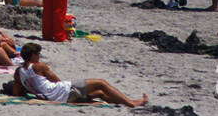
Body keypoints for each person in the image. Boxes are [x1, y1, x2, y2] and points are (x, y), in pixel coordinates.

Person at [15, 42, 147, 107]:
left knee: (100, 93)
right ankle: (131, 103)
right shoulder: (39, 66)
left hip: (51, 97)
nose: (39, 56)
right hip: (61, 92)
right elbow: (56, 80)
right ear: (32, 55)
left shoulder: (18, 72)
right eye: (38, 54)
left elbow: (17, 92)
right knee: (101, 82)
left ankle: (124, 103)